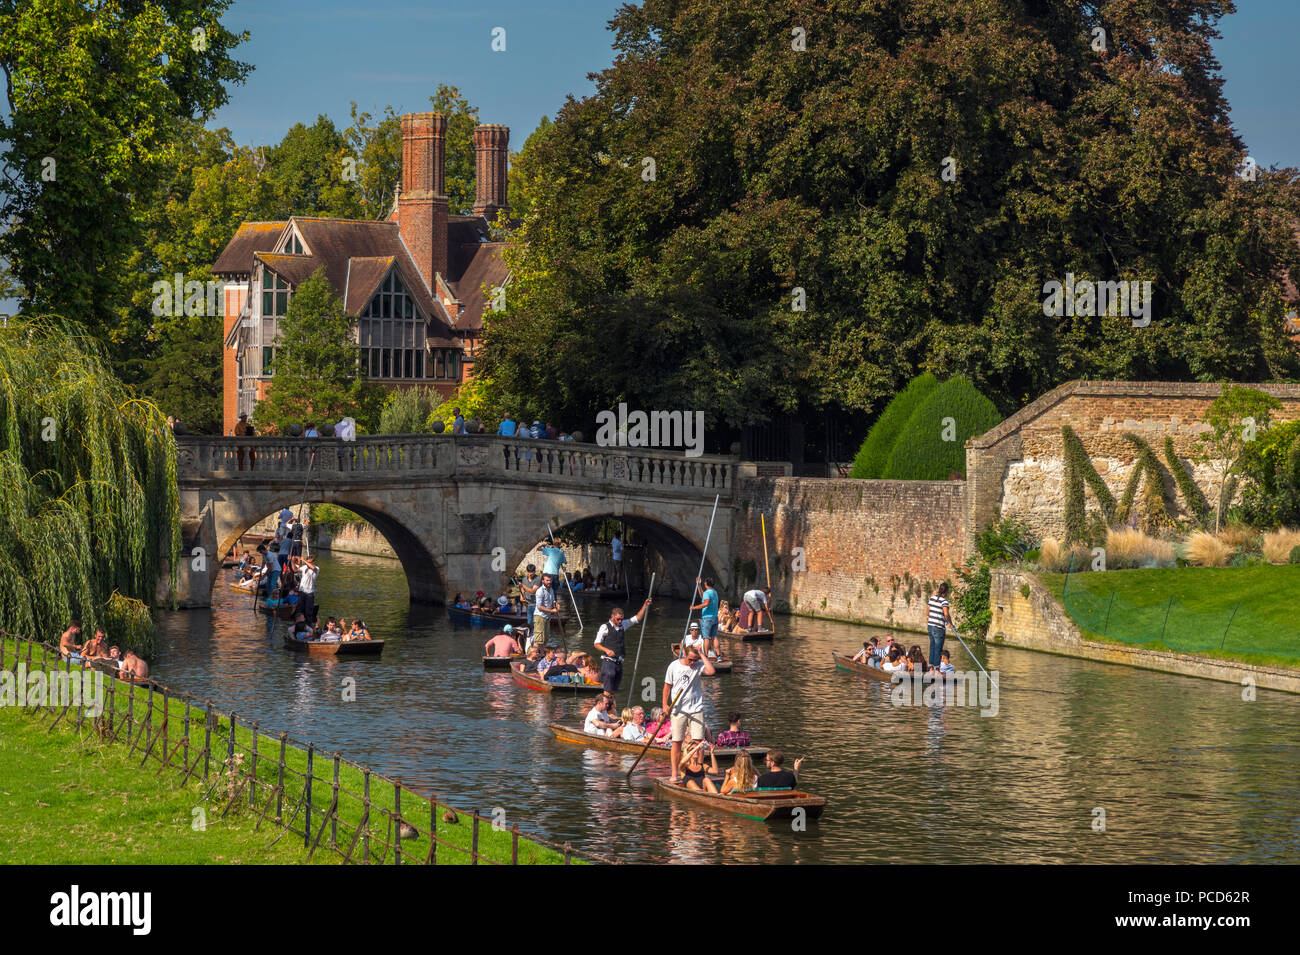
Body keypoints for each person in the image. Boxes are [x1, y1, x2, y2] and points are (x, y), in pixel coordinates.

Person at [663, 647, 716, 783]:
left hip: (696, 708)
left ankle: (698, 772)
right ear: (684, 654)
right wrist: (664, 705)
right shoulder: (673, 666)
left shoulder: (698, 665)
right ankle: (675, 773)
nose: (692, 662)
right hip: (678, 710)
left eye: (695, 660)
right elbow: (667, 687)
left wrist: (701, 655)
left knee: (698, 742)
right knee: (677, 742)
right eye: (690, 659)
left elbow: (711, 671)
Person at [592, 596, 653, 694]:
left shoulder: (623, 625)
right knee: (607, 691)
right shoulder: (605, 627)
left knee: (614, 691)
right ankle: (605, 707)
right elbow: (596, 644)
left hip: (618, 663)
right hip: (608, 663)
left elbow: (637, 618)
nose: (620, 621)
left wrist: (645, 605)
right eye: (618, 619)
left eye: (621, 619)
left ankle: (611, 709)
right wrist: (607, 650)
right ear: (612, 616)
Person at [690, 576, 721, 658]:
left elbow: (706, 603)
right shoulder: (714, 592)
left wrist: (694, 607)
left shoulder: (708, 593)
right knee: (714, 637)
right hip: (714, 617)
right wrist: (699, 585)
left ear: (706, 583)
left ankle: (705, 656)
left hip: (707, 618)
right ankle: (719, 656)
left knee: (706, 638)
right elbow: (702, 596)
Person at [927, 581, 956, 667]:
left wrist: (934, 617)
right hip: (938, 628)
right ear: (946, 591)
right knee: (938, 649)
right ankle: (936, 669)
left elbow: (928, 612)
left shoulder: (931, 598)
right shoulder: (944, 601)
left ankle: (931, 667)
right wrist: (950, 623)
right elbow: (946, 614)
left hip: (930, 626)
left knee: (932, 647)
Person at [534, 574, 560, 644]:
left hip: (547, 617)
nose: (549, 582)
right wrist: (552, 611)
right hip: (540, 616)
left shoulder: (551, 590)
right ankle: (536, 654)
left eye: (550, 580)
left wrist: (556, 605)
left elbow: (553, 601)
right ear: (543, 581)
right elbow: (539, 607)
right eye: (547, 580)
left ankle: (542, 653)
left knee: (545, 639)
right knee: (539, 640)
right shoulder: (540, 591)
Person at [293, 555, 318, 624]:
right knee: (299, 610)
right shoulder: (304, 567)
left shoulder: (316, 568)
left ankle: (309, 625)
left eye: (311, 562)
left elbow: (313, 568)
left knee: (308, 611)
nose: (309, 564)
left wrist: (303, 561)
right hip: (302, 591)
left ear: (313, 562)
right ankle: (298, 624)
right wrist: (292, 562)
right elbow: (295, 570)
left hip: (309, 593)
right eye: (308, 562)